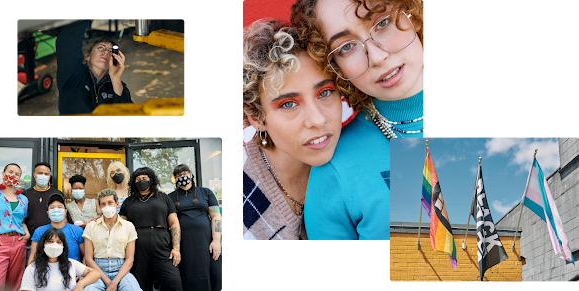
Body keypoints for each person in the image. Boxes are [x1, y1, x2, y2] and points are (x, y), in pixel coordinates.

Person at [289, 0, 424, 239]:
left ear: (413, 13)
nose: (377, 57)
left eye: (383, 23)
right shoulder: (334, 170)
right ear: (334, 67)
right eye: (346, 47)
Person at [242, 18, 343, 240]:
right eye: (288, 104)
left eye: (325, 92)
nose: (317, 119)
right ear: (257, 117)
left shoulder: (358, 157)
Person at [119, 167, 183, 291]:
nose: (141, 181)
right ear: (133, 182)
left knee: (173, 282)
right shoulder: (129, 201)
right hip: (137, 246)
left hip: (162, 244)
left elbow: (174, 223)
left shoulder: (163, 198)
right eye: (138, 179)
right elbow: (121, 225)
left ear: (151, 180)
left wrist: (176, 248)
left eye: (144, 178)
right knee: (140, 284)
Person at [56, 19, 132, 114]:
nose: (105, 52)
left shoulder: (118, 85)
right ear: (87, 56)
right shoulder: (74, 75)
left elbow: (127, 113)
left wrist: (116, 79)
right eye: (101, 47)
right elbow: (69, 42)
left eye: (111, 51)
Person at [168, 164, 222, 291]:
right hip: (184, 243)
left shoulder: (206, 192)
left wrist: (216, 240)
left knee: (214, 273)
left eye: (185, 173)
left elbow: (216, 216)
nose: (183, 177)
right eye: (179, 175)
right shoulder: (170, 197)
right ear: (175, 179)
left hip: (206, 241)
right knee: (188, 274)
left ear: (191, 175)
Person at [0, 163, 30, 290]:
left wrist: (27, 234)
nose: (13, 175)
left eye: (17, 174)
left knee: (13, 285)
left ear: (19, 179)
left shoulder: (23, 199)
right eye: (10, 172)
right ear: (3, 174)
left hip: (19, 243)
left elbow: (21, 222)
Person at [83, 189, 142, 291]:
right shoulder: (91, 226)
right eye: (103, 204)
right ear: (100, 207)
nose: (107, 206)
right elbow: (88, 259)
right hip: (97, 271)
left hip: (121, 271)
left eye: (110, 202)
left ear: (117, 203)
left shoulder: (128, 226)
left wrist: (114, 282)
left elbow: (129, 259)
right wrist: (108, 282)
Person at [21, 228, 100, 291]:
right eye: (50, 241)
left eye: (59, 242)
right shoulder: (32, 268)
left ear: (63, 246)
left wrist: (80, 284)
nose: (54, 245)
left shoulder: (71, 264)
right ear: (43, 245)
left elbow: (95, 273)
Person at [23, 162, 65, 264]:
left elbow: (63, 217)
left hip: (53, 243)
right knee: (33, 272)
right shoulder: (25, 195)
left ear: (49, 176)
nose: (43, 176)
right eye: (40, 173)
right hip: (32, 243)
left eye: (46, 174)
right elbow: (22, 220)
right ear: (34, 175)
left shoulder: (57, 193)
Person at [29, 194, 85, 264]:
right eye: (52, 208)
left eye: (59, 207)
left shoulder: (77, 231)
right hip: (46, 271)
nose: (56, 210)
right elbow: (33, 256)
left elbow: (85, 255)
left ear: (65, 212)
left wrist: (82, 273)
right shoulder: (39, 231)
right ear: (48, 213)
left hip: (73, 272)